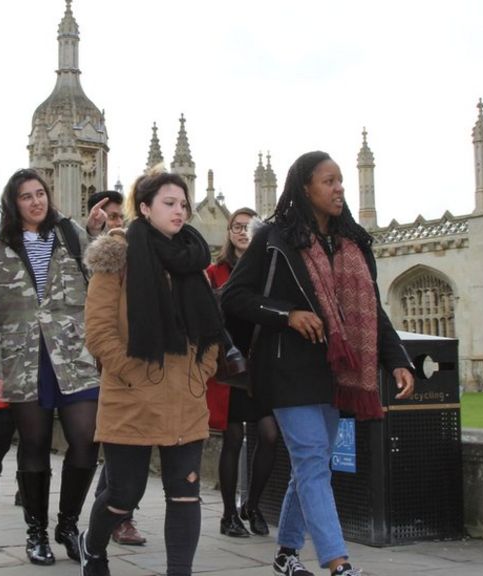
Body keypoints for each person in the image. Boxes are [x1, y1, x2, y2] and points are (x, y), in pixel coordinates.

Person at [222, 151, 416, 576]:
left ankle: (286, 553)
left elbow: (372, 310)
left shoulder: (352, 242)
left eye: (341, 180)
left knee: (315, 462)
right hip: (287, 368)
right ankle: (338, 563)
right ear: (304, 188)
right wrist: (287, 315)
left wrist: (397, 359)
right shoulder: (273, 238)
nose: (339, 188)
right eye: (329, 181)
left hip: (335, 369)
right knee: (311, 458)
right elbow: (233, 296)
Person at [81, 170, 223, 576]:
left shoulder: (193, 256)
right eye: (169, 203)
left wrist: (204, 369)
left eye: (183, 204)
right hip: (134, 394)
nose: (179, 211)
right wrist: (132, 371)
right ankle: (92, 547)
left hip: (187, 395)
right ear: (144, 208)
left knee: (185, 493)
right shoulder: (118, 254)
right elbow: (99, 330)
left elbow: (211, 324)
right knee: (124, 494)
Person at [0, 168, 100, 567]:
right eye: (26, 196)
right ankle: (36, 532)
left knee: (86, 441)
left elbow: (101, 290)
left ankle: (67, 523)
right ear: (13, 205)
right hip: (23, 360)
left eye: (41, 193)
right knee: (34, 447)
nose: (36, 201)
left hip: (75, 358)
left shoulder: (71, 236)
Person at [206, 207, 282, 539]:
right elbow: (208, 318)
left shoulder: (270, 271)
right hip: (230, 367)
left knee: (268, 435)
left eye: (248, 227)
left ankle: (251, 505)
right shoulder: (215, 271)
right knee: (234, 439)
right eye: (236, 227)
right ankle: (227, 515)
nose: (241, 232)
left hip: (260, 366)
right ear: (229, 232)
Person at [86, 188, 146, 547]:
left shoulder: (138, 252)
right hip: (83, 360)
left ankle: (121, 517)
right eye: (108, 217)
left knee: (124, 443)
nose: (116, 223)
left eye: (120, 216)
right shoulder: (87, 250)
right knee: (103, 446)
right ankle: (101, 515)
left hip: (124, 366)